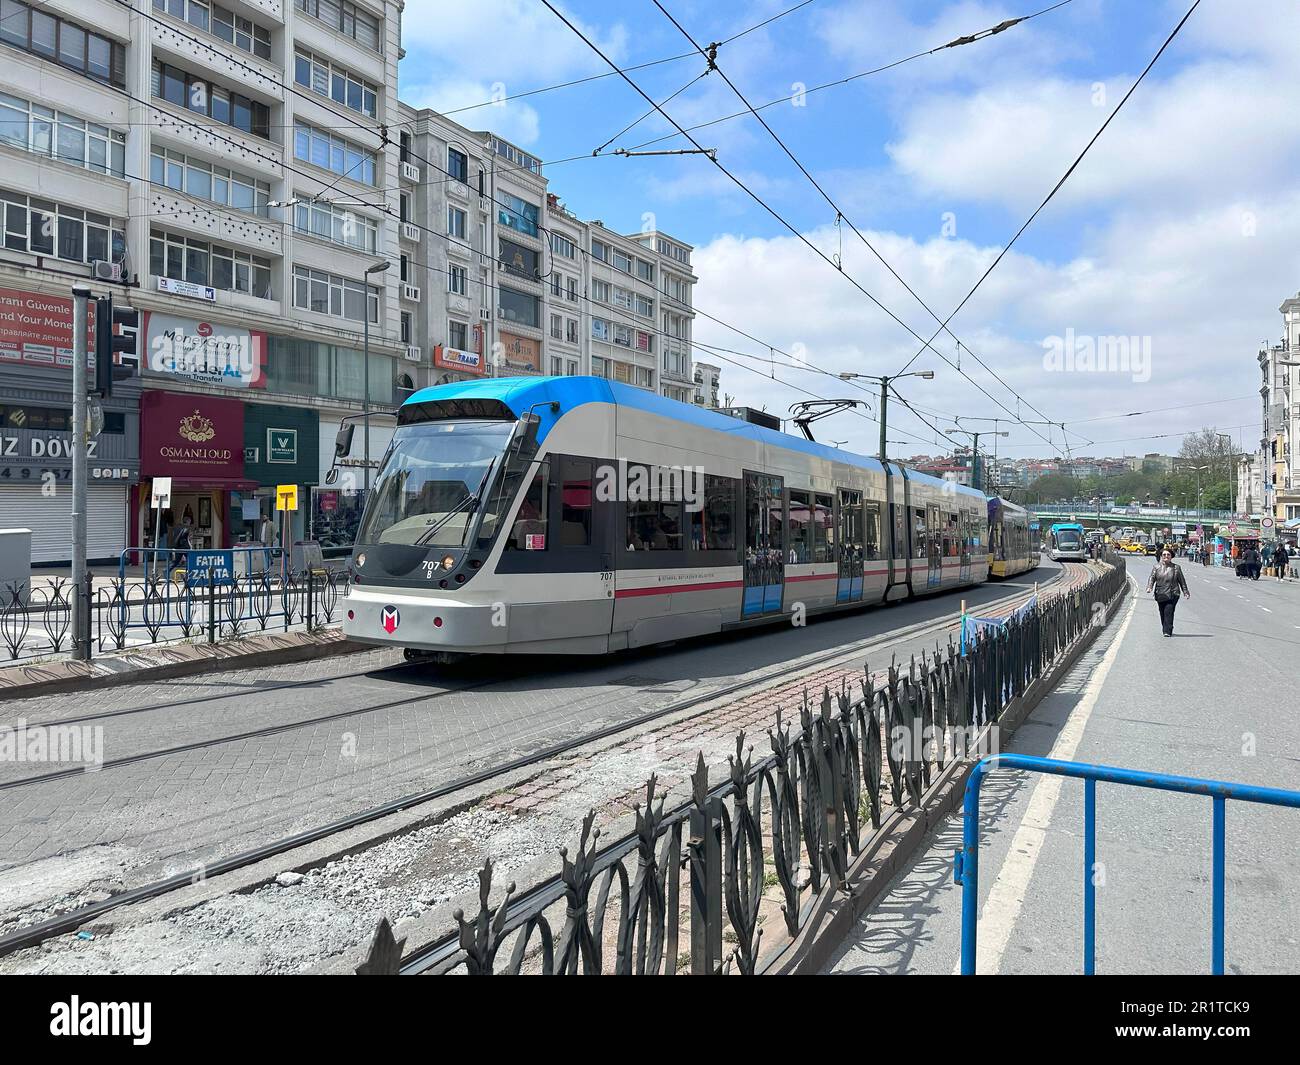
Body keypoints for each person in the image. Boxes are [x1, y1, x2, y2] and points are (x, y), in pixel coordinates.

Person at [1145, 547, 1190, 637]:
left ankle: (1167, 631)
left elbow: (1182, 581)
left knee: (1168, 611)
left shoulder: (1176, 568)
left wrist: (1185, 592)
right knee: (1162, 611)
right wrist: (1149, 587)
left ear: (1171, 556)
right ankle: (1166, 627)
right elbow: (1152, 578)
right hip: (1160, 593)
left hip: (1173, 593)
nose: (1166, 556)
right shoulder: (1156, 567)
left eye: (1168, 555)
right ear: (1161, 556)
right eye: (1164, 555)